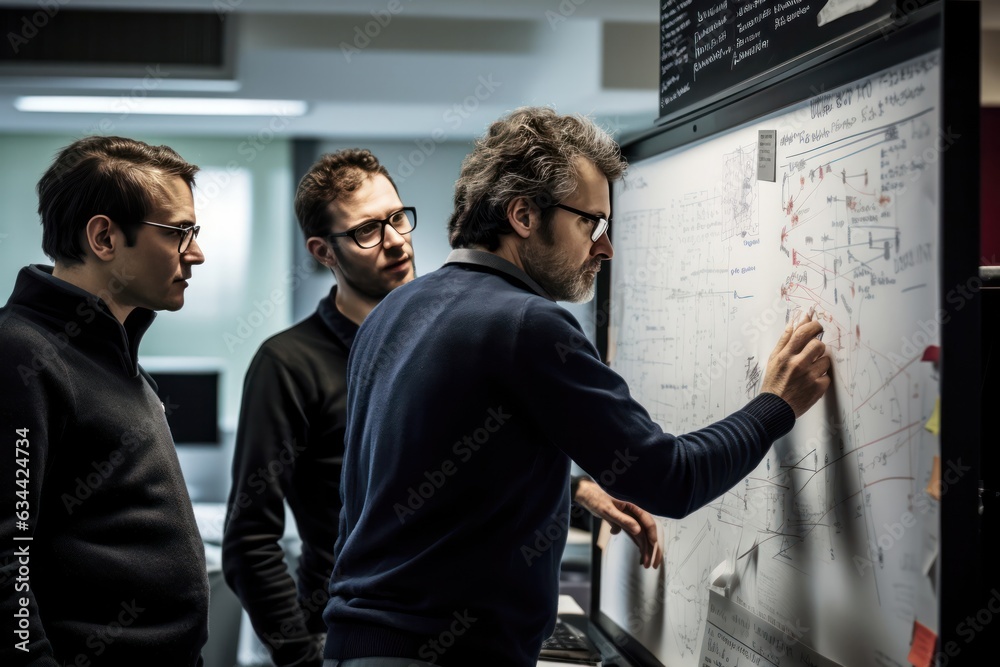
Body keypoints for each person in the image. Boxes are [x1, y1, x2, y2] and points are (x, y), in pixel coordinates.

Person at [322, 107, 832, 667]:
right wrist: (776, 405)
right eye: (591, 223)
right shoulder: (527, 324)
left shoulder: (391, 312)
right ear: (522, 215)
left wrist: (571, 490)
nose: (604, 248)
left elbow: (415, 483)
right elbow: (671, 478)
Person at [221, 149, 660, 667]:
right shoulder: (287, 364)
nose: (395, 242)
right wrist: (299, 657)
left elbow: (452, 461)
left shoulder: (439, 329)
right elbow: (249, 539)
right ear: (323, 252)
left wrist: (579, 488)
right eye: (367, 231)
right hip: (354, 637)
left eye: (397, 218)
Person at [0, 136, 209, 665]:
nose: (198, 253)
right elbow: (7, 554)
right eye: (180, 233)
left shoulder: (114, 356)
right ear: (104, 237)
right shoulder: (21, 355)